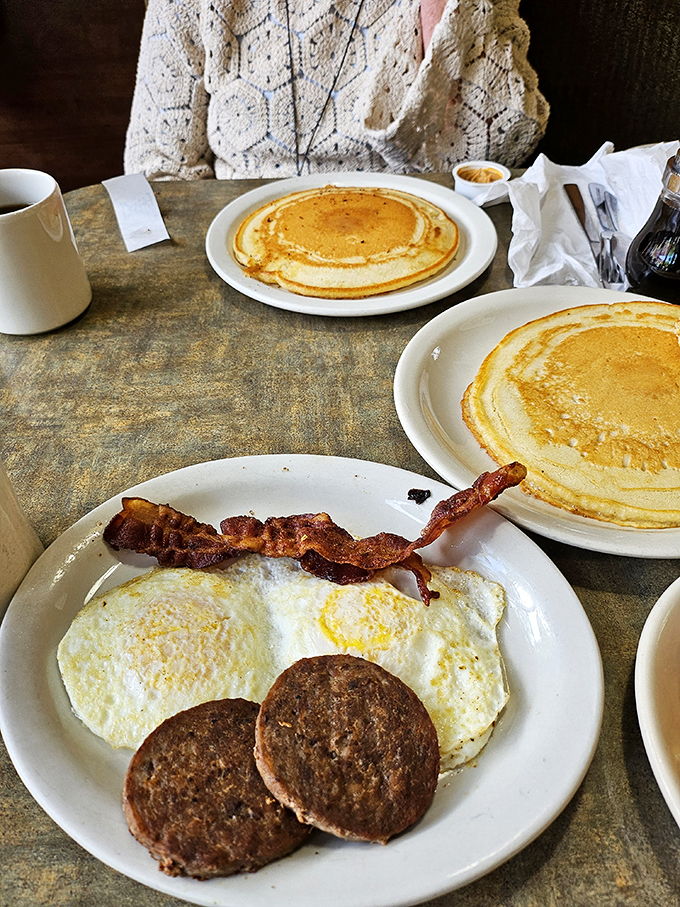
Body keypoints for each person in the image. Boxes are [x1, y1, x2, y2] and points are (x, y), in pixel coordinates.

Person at [124, 0, 549, 181]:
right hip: (241, 255)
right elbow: (158, 168)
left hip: (414, 243)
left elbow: (496, 158)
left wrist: (440, 17)